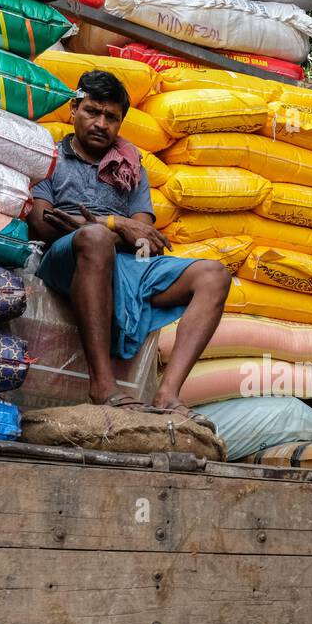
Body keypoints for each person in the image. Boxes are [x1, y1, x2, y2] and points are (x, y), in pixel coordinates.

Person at [27, 70, 228, 428]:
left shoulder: (131, 166)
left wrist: (115, 229)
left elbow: (146, 241)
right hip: (67, 257)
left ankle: (168, 395)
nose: (101, 123)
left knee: (214, 275)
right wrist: (114, 223)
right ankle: (103, 386)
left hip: (127, 262)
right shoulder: (49, 157)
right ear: (73, 110)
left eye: (112, 117)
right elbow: (42, 223)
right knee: (95, 239)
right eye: (92, 111)